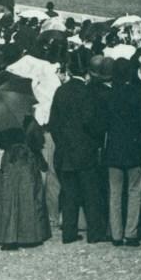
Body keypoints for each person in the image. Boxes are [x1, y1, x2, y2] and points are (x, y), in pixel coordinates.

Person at [48, 49, 106, 244]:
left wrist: (62, 142)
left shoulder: (61, 91)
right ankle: (95, 233)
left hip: (65, 148)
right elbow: (92, 122)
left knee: (70, 192)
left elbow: (53, 122)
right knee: (91, 193)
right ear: (87, 72)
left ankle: (69, 232)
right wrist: (96, 141)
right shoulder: (88, 92)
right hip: (85, 148)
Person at [101, 57, 141, 246]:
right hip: (134, 149)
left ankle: (116, 233)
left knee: (115, 193)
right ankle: (131, 232)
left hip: (113, 149)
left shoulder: (109, 96)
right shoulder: (139, 95)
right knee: (134, 192)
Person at [0, 125, 52, 251]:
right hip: (26, 166)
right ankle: (28, 236)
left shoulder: (6, 136)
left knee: (7, 201)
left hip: (10, 165)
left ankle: (4, 235)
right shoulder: (31, 131)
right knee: (28, 200)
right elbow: (42, 164)